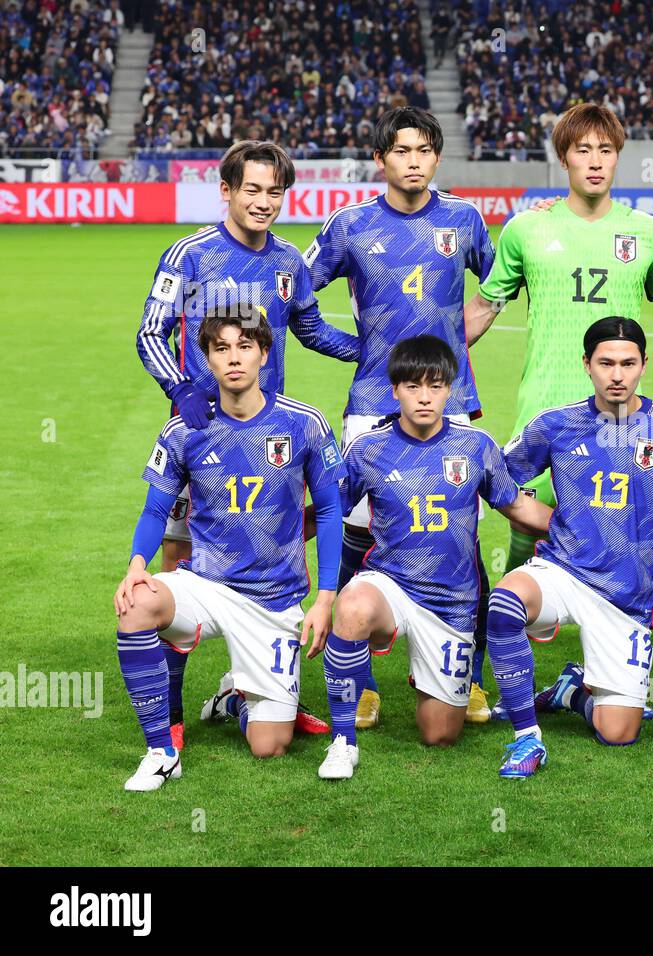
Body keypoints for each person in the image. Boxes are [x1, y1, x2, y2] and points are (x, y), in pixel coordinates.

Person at [135, 140, 359, 747]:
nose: (264, 203)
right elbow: (149, 333)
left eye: (274, 191)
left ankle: (252, 692)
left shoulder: (289, 259)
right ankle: (173, 715)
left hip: (272, 448)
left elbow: (310, 329)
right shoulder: (190, 255)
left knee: (273, 565)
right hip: (200, 446)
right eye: (251, 190)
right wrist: (181, 388)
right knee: (182, 571)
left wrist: (373, 352)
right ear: (227, 191)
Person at [486, 317, 653, 778]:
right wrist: (548, 520)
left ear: (644, 365)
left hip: (624, 599)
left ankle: (572, 692)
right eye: (606, 363)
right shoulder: (555, 425)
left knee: (619, 733)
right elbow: (499, 481)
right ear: (587, 364)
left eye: (628, 363)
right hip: (561, 572)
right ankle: (526, 738)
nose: (617, 374)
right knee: (504, 604)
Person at [306, 107, 497, 728]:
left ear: (436, 157)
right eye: (400, 150)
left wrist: (462, 346)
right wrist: (352, 347)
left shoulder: (464, 219)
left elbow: (503, 281)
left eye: (423, 150)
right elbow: (297, 291)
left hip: (453, 405)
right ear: (381, 159)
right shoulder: (350, 224)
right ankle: (360, 682)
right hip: (371, 407)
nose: (412, 161)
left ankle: (461, 675)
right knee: (358, 538)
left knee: (459, 540)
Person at [114, 310, 344, 791]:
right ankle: (161, 751)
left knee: (271, 746)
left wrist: (324, 599)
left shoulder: (305, 423)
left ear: (265, 353)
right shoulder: (184, 430)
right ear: (208, 359)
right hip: (206, 584)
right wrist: (137, 565)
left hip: (274, 600)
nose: (234, 358)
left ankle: (236, 699)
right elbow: (156, 512)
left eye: (244, 346)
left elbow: (327, 511)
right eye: (222, 348)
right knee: (137, 603)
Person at [462, 103, 653, 578]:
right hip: (544, 399)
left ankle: (606, 612)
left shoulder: (648, 233)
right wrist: (418, 357)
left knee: (614, 515)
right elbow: (485, 308)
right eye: (581, 150)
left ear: (617, 158)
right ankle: (519, 604)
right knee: (523, 511)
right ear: (563, 159)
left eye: (604, 150)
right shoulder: (526, 228)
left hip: (617, 403)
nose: (594, 160)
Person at [316, 335, 552, 780]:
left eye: (435, 385)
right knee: (352, 607)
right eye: (413, 386)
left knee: (439, 735)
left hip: (451, 603)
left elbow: (517, 506)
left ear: (450, 390)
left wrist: (580, 530)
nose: (424, 396)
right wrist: (275, 531)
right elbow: (331, 511)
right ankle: (342, 741)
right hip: (390, 585)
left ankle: (432, 680)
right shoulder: (368, 448)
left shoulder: (476, 446)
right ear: (394, 390)